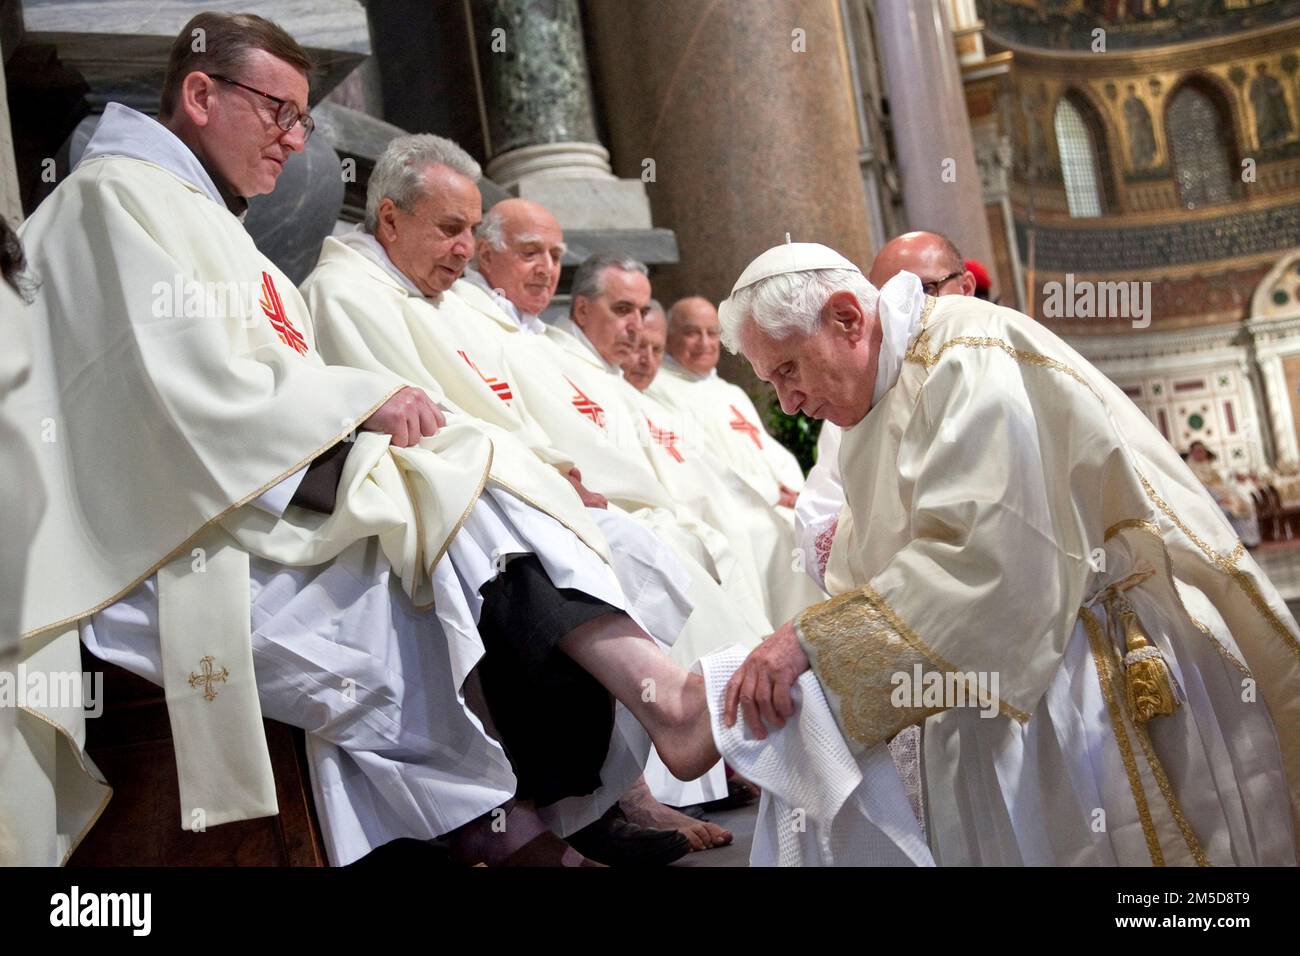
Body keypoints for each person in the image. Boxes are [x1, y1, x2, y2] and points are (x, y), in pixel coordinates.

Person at [4, 12, 717, 867]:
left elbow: (252, 384)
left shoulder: (217, 228)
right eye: (280, 113)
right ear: (200, 93)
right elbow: (172, 392)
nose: (294, 141)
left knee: (460, 518)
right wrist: (359, 406)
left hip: (247, 487)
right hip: (162, 534)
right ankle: (543, 808)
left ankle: (539, 811)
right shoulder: (113, 197)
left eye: (303, 119)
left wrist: (348, 417)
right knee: (433, 561)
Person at [717, 240, 1300, 865]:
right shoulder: (885, 388)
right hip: (994, 678)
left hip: (1082, 669)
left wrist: (809, 641)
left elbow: (986, 559)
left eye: (787, 371)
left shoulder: (968, 356)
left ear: (847, 318)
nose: (787, 402)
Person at [300, 141, 736, 849]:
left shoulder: (420, 297)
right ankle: (631, 752)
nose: (466, 250)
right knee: (534, 543)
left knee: (618, 538)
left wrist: (545, 465)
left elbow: (480, 412)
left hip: (476, 477)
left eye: (472, 230)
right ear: (388, 219)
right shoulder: (344, 291)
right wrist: (532, 469)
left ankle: (606, 793)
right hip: (405, 499)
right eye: (451, 228)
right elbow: (410, 424)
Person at [795, 230, 978, 591]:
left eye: (923, 290)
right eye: (885, 298)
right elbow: (817, 513)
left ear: (967, 287)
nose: (904, 308)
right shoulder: (857, 396)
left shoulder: (994, 357)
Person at [625, 299, 825, 625]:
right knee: (768, 535)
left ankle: (812, 634)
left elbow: (768, 448)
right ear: (671, 338)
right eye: (692, 333)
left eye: (712, 333)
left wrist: (798, 490)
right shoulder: (658, 388)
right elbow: (702, 462)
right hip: (732, 503)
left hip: (775, 498)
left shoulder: (732, 392)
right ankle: (775, 635)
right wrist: (773, 494)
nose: (704, 343)